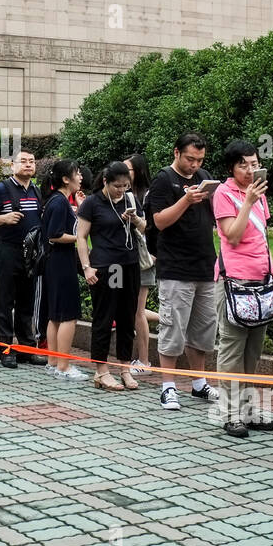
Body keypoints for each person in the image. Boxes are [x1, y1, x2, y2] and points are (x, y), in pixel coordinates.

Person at [147, 133, 222, 410]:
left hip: (204, 264)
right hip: (175, 266)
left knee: (203, 329)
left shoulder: (204, 176)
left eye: (199, 159)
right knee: (173, 327)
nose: (194, 165)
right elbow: (159, 221)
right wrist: (186, 200)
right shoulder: (164, 179)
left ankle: (199, 383)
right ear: (176, 152)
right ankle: (168, 386)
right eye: (190, 158)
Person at [213, 140, 273, 436]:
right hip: (233, 283)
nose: (251, 170)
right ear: (231, 167)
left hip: (261, 282)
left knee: (253, 352)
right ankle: (229, 414)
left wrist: (272, 270)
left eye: (254, 163)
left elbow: (261, 236)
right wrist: (249, 201)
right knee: (231, 350)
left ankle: (249, 412)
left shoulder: (259, 194)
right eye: (244, 165)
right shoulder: (223, 194)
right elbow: (233, 236)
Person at [76, 161, 145, 390]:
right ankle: (101, 370)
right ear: (105, 181)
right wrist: (87, 267)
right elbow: (81, 237)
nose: (121, 190)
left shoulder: (130, 200)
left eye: (126, 185)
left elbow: (145, 228)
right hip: (108, 266)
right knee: (105, 316)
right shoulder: (93, 203)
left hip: (130, 264)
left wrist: (134, 219)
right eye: (117, 186)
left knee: (127, 317)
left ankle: (125, 368)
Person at [0, 150, 44, 369]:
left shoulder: (36, 190)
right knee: (5, 303)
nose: (28, 165)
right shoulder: (2, 189)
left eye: (32, 161)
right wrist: (4, 218)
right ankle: (5, 350)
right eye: (23, 161)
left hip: (31, 253)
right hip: (8, 251)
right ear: (12, 166)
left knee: (26, 303)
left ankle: (26, 348)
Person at [40, 160, 86, 380]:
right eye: (77, 174)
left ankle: (53, 362)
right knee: (67, 315)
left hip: (55, 262)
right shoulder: (59, 202)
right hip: (61, 261)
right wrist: (80, 238)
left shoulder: (57, 201)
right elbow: (55, 234)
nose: (80, 177)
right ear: (66, 179)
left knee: (55, 316)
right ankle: (64, 366)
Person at [125, 153, 156, 378]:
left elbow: (151, 229)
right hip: (131, 259)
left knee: (137, 312)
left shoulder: (146, 196)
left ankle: (144, 360)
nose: (124, 175)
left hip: (144, 260)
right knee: (133, 310)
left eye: (129, 171)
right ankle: (169, 318)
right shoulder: (127, 194)